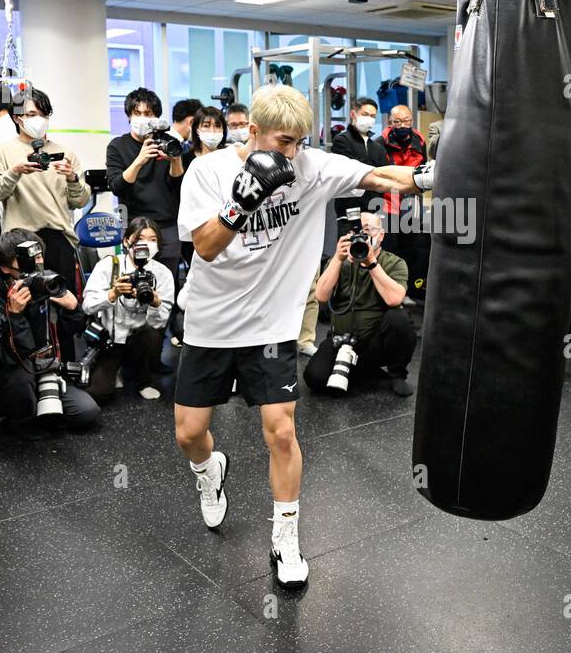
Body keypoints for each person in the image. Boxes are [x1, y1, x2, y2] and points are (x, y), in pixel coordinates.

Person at [175, 83, 432, 589]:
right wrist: (242, 201)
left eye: (298, 142)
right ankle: (210, 472)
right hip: (211, 322)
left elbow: (384, 176)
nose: (291, 153)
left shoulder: (312, 165)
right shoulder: (208, 172)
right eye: (282, 142)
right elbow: (204, 247)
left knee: (282, 431)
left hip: (272, 324)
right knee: (188, 433)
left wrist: (435, 174)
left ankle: (286, 538)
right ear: (252, 131)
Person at [0, 86, 91, 362]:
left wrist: (73, 179)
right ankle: (27, 371)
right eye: (30, 113)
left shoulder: (64, 152)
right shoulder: (2, 152)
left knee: (63, 309)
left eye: (42, 114)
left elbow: (80, 200)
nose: (36, 119)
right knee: (26, 310)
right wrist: (15, 171)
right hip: (20, 243)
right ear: (17, 118)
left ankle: (66, 368)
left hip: (58, 238)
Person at [0, 228, 99, 435]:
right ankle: (18, 421)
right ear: (5, 268)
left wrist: (73, 309)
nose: (36, 265)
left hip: (47, 366)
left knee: (86, 412)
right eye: (27, 261)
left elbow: (73, 331)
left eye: (38, 257)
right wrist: (15, 315)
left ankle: (42, 410)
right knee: (21, 385)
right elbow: (3, 354)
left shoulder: (45, 284)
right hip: (12, 372)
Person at [305, 211, 416, 396]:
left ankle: (397, 375)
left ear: (381, 235)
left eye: (367, 231)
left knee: (400, 318)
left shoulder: (394, 262)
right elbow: (321, 295)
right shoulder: (340, 262)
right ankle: (364, 370)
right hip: (341, 339)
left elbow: (395, 299)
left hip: (375, 342)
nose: (361, 237)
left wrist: (371, 262)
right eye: (356, 232)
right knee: (315, 379)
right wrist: (338, 259)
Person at [81, 217, 176, 402]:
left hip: (141, 338)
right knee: (99, 393)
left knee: (152, 334)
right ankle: (115, 369)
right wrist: (113, 294)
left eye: (153, 239)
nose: (147, 244)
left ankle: (144, 379)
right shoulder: (110, 265)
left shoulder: (162, 273)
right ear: (126, 241)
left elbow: (160, 322)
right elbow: (87, 306)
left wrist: (155, 303)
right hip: (111, 338)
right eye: (140, 238)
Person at [106, 87, 186, 283]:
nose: (142, 118)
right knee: (137, 282)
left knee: (168, 283)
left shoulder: (169, 142)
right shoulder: (117, 146)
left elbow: (179, 186)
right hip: (135, 225)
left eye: (148, 114)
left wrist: (175, 160)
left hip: (168, 226)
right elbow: (117, 186)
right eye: (137, 113)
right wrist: (140, 160)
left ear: (156, 117)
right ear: (129, 116)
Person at [376, 104, 429, 299]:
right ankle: (386, 292)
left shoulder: (419, 140)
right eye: (397, 122)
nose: (402, 125)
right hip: (387, 203)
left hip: (412, 203)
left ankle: (406, 290)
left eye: (406, 121)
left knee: (411, 247)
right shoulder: (379, 143)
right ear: (390, 123)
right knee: (389, 248)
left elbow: (422, 169)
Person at [331, 97, 389, 224]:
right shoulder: (342, 141)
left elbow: (386, 175)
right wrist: (375, 172)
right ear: (353, 114)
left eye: (373, 116)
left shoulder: (378, 147)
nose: (369, 119)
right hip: (349, 210)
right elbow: (351, 172)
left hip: (374, 210)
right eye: (365, 114)